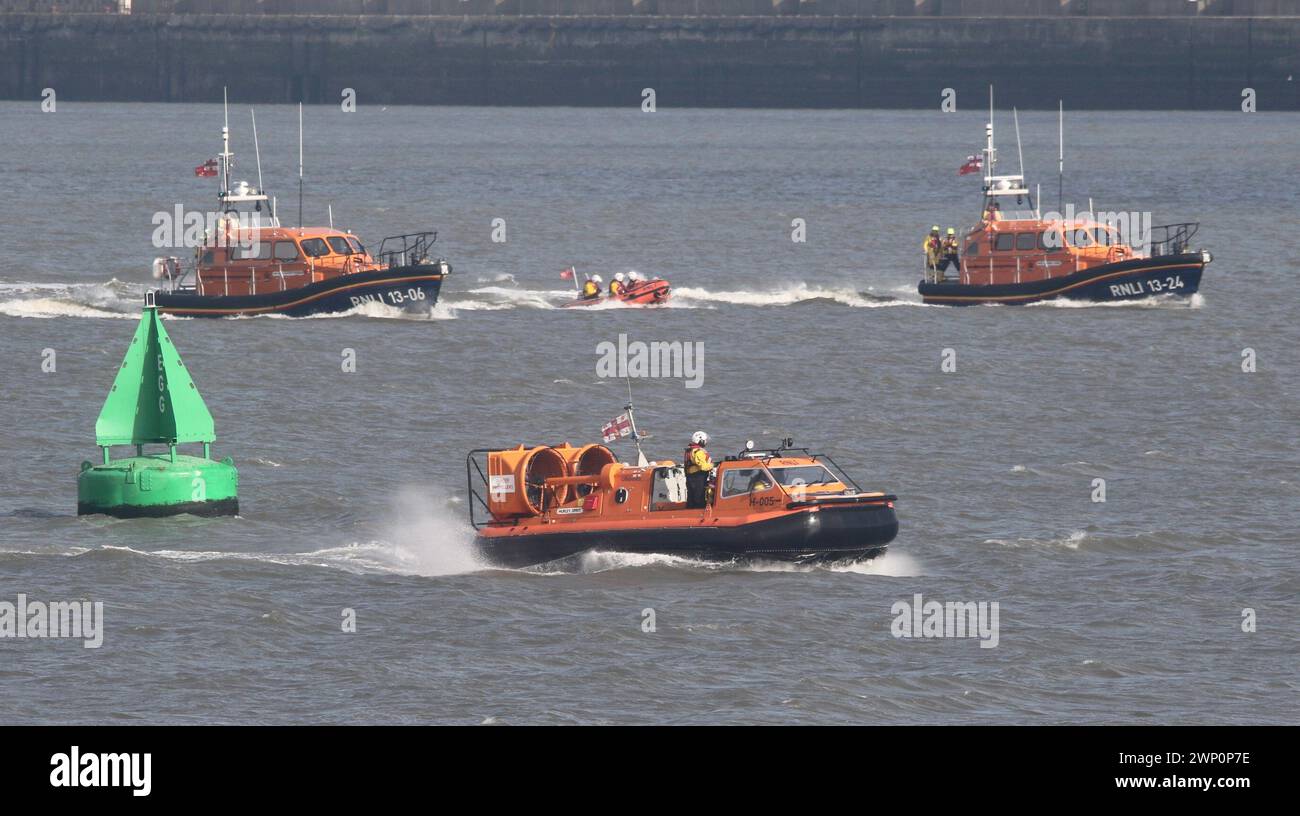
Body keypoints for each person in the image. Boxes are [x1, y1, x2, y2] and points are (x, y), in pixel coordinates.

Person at [683, 431, 714, 509]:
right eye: (704, 440)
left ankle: (690, 511)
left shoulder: (691, 450)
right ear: (700, 440)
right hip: (697, 477)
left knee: (691, 496)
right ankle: (698, 512)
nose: (705, 442)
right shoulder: (698, 452)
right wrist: (712, 465)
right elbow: (703, 467)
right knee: (699, 497)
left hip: (691, 476)